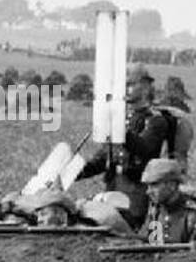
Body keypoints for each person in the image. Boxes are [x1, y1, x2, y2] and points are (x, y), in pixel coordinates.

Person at [74, 77, 173, 227]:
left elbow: (144, 148)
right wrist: (75, 172)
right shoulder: (122, 119)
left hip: (135, 188)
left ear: (145, 88)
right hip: (114, 183)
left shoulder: (155, 120)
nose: (125, 89)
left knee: (127, 227)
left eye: (131, 84)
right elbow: (104, 157)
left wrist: (120, 130)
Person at [139, 159, 196, 243]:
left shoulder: (192, 214)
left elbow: (195, 252)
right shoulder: (155, 210)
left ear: (172, 185)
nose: (148, 192)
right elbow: (144, 242)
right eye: (148, 186)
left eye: (154, 185)